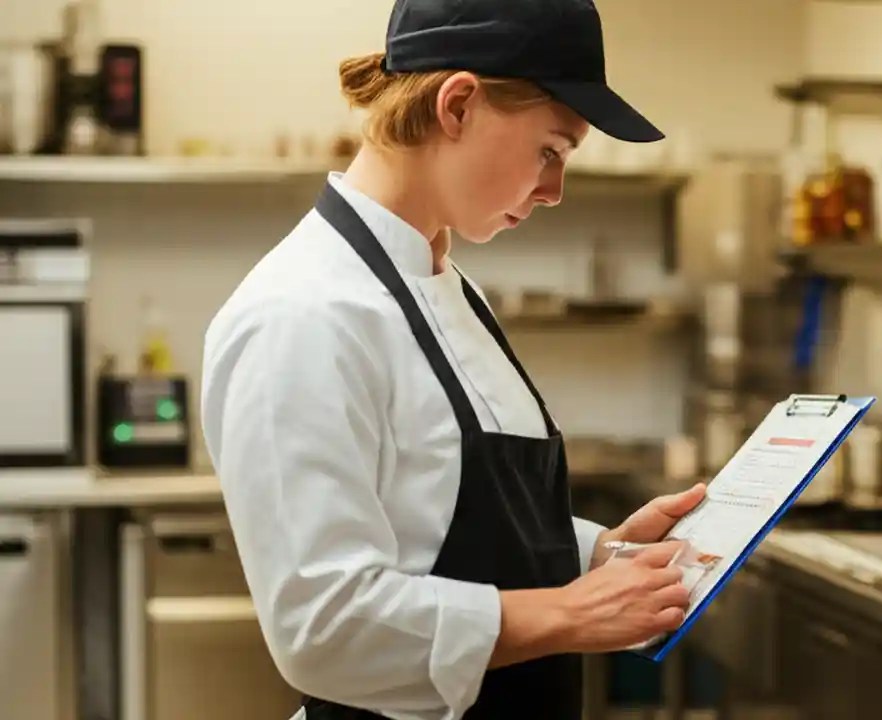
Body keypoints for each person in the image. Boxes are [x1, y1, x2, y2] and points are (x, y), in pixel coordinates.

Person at [199, 0, 708, 718]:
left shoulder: (449, 286)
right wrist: (570, 613)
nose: (554, 192)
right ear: (459, 105)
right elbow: (322, 627)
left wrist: (594, 555)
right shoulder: (302, 315)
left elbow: (436, 520)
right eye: (550, 151)